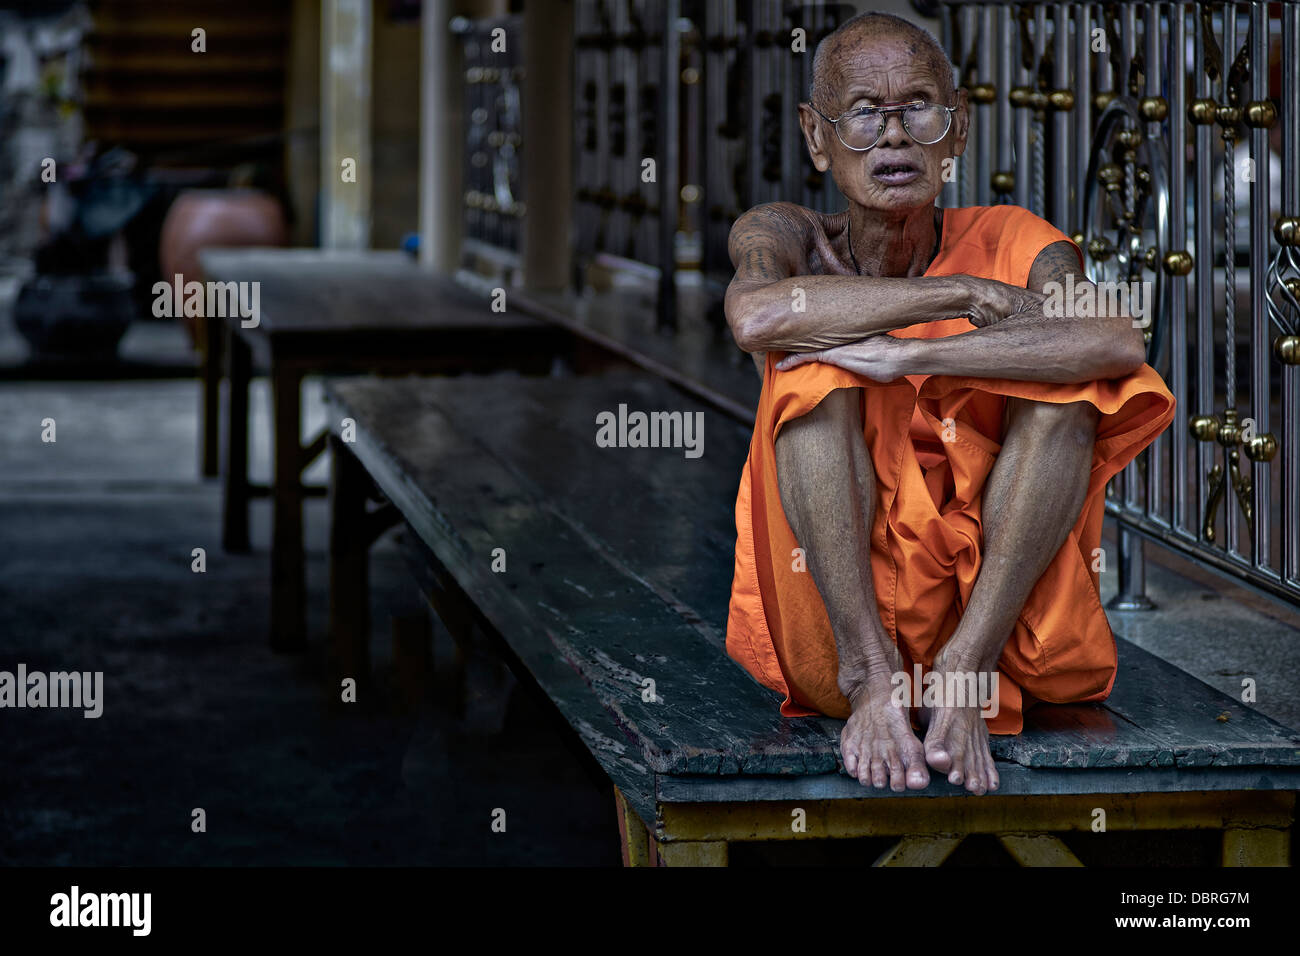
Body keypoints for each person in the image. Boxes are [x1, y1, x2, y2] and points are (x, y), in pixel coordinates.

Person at [723, 12, 1176, 795]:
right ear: (815, 136)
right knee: (813, 373)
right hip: (841, 630)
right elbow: (757, 316)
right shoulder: (786, 233)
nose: (893, 138)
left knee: (1070, 386)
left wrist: (911, 355)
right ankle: (873, 681)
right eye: (863, 112)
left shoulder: (1015, 238)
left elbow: (1114, 337)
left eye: (919, 107)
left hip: (997, 636)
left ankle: (961, 676)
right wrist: (958, 294)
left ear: (956, 131)